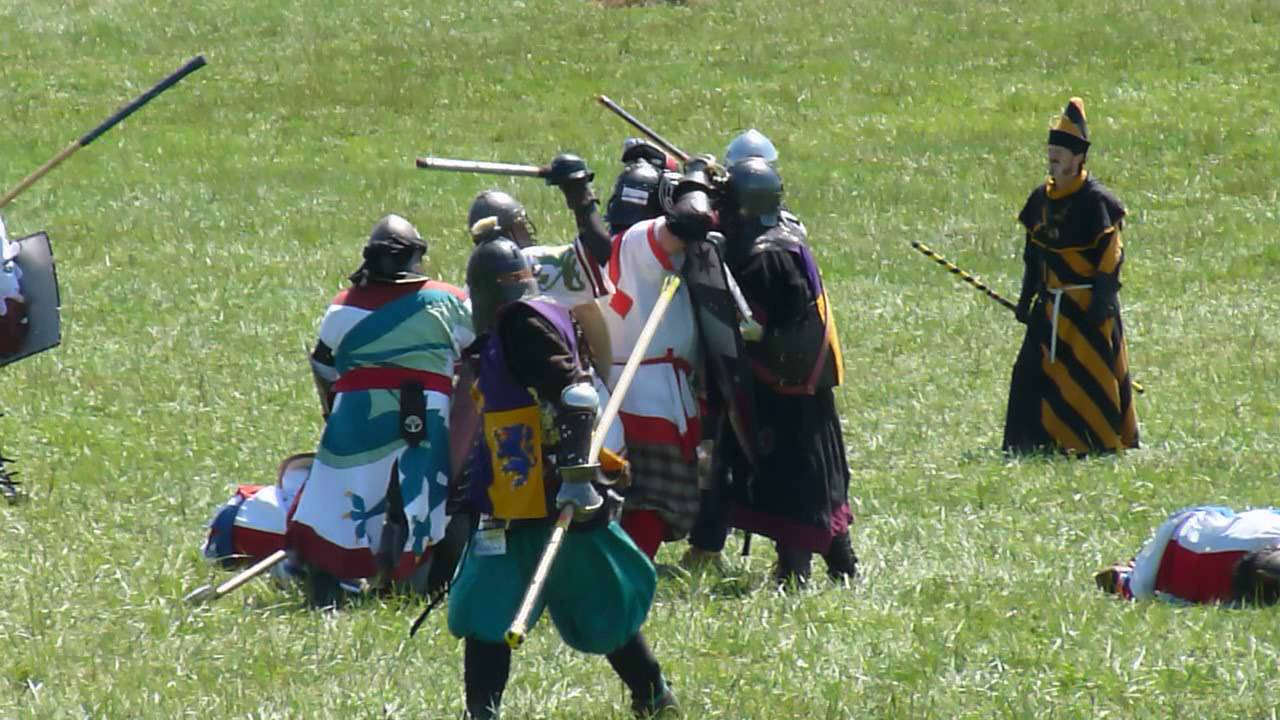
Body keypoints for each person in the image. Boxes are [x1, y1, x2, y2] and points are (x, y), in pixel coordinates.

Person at [447, 237, 676, 719]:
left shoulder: (525, 324)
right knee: (485, 607)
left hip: (554, 493)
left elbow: (576, 396)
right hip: (510, 499)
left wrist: (575, 476)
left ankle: (653, 694)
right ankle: (480, 712)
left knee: (602, 604)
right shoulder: (525, 323)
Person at [285, 214, 474, 606]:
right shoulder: (450, 301)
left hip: (355, 419)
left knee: (335, 503)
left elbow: (324, 367)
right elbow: (477, 355)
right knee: (428, 498)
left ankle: (330, 587)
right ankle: (413, 581)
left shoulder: (342, 307)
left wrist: (333, 411)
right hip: (427, 417)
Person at [693, 158, 857, 586]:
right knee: (815, 477)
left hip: (784, 386)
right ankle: (842, 566)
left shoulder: (768, 255)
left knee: (795, 479)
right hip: (785, 387)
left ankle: (795, 571)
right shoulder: (782, 238)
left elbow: (773, 325)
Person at [1003, 97, 1139, 456]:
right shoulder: (1041, 200)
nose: (1053, 156)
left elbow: (1111, 255)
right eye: (1051, 151)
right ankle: (1031, 443)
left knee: (1088, 376)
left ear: (1078, 157)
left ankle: (1094, 443)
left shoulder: (1097, 201)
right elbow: (1033, 256)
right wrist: (1027, 297)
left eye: (1060, 151)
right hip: (1051, 307)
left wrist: (1103, 300)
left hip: (1087, 307)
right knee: (1029, 374)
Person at [1096, 506, 1280, 606]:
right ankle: (1125, 574)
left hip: (1190, 530)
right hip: (1177, 544)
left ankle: (1127, 572)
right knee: (1138, 588)